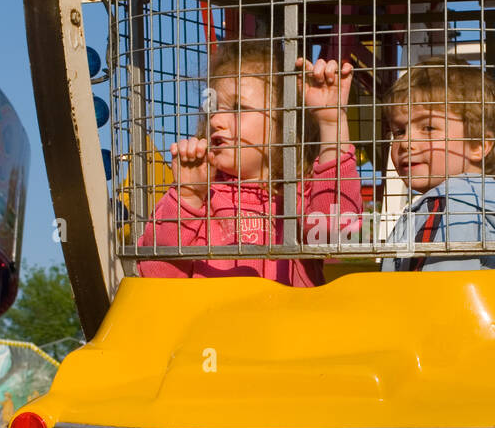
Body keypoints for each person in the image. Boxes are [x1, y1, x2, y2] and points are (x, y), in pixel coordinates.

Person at [136, 40, 363, 286]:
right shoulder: (202, 198)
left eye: (238, 108)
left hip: (292, 323)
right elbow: (157, 275)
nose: (216, 120)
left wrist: (332, 124)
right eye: (212, 109)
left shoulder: (302, 195)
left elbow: (337, 233)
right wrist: (187, 196)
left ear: (285, 122)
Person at [380, 55, 495, 272]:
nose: (406, 143)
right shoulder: (487, 203)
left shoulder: (452, 208)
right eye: (399, 131)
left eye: (428, 128)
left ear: (478, 145)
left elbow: (441, 293)